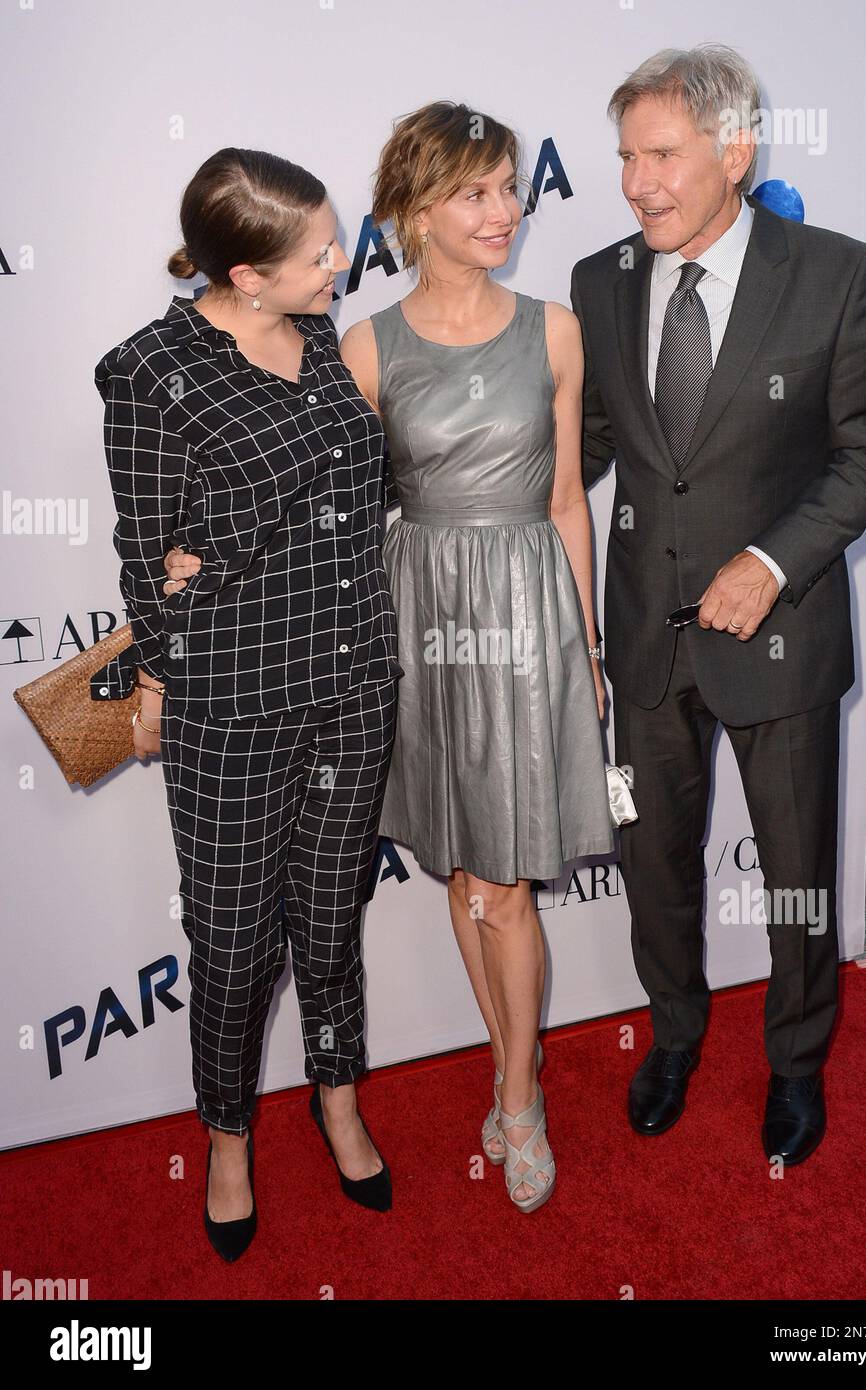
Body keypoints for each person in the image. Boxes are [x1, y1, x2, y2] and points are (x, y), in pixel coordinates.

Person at [168, 104, 616, 1213]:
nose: (505, 209)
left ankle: (519, 1095)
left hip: (522, 620)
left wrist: (586, 645)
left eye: (511, 184)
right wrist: (187, 573)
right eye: (476, 191)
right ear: (417, 213)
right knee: (465, 881)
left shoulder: (555, 328)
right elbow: (324, 508)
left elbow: (566, 500)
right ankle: (496, 1071)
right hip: (407, 624)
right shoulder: (359, 346)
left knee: (507, 889)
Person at [570, 44, 866, 1166]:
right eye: (625, 155)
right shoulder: (600, 280)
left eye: (661, 154)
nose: (635, 181)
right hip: (644, 642)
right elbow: (601, 446)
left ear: (735, 149)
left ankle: (797, 1059)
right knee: (653, 863)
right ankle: (674, 1035)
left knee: (798, 873)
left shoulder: (837, 274)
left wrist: (770, 562)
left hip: (783, 635)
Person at [96, 147, 400, 1261]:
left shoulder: (327, 341)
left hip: (354, 682)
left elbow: (360, 494)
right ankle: (227, 1135)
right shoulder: (146, 370)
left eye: (336, 237)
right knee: (230, 945)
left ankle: (336, 1094)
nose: (342, 260)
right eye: (319, 251)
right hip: (231, 704)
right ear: (247, 271)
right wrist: (165, 661)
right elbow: (147, 562)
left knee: (329, 926)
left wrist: (209, 548)